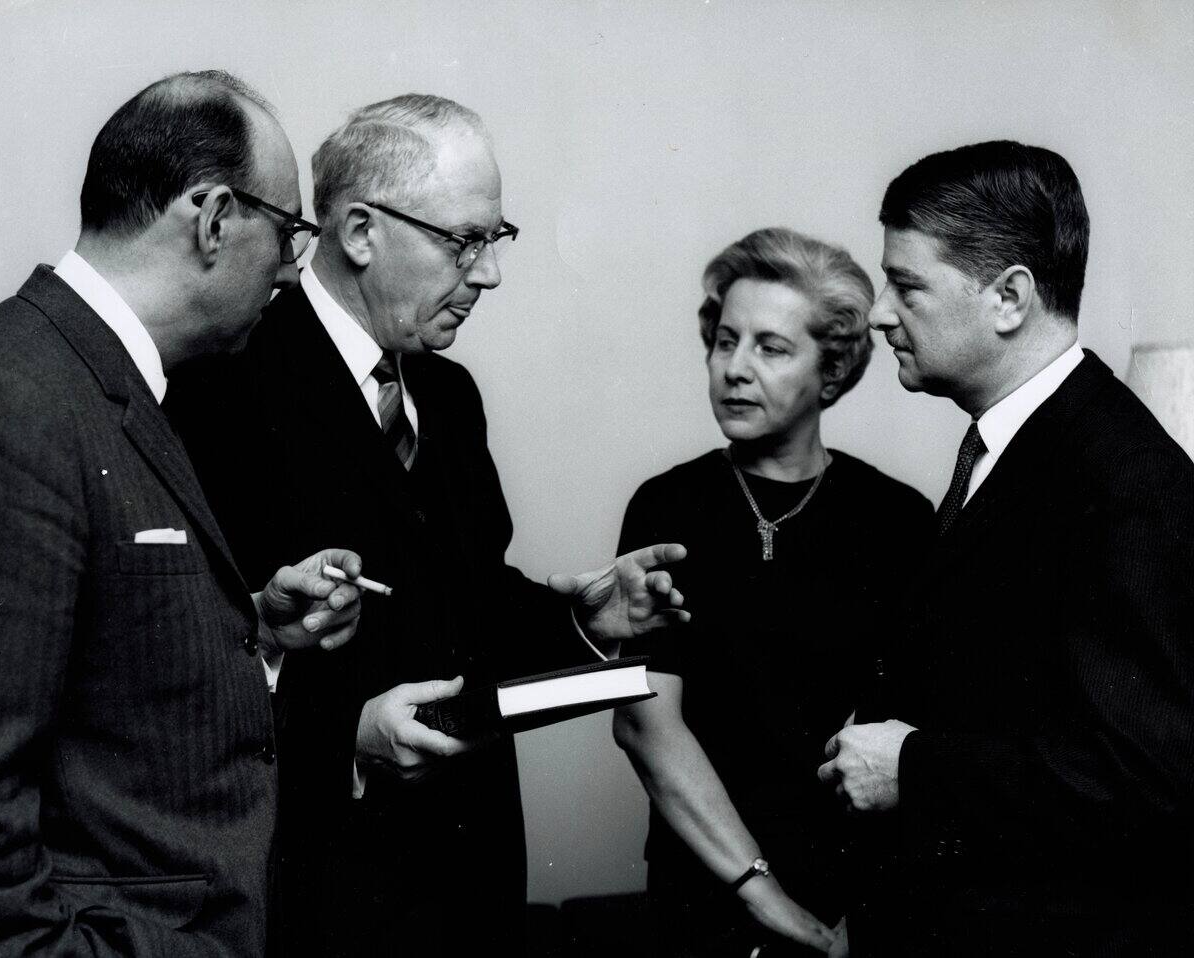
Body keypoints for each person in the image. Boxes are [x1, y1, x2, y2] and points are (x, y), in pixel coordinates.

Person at [167, 94, 688, 956]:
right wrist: (344, 739)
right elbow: (175, 656)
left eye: (497, 237)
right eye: (464, 241)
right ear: (362, 231)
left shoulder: (449, 396)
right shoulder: (222, 380)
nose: (488, 275)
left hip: (469, 892)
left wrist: (584, 625)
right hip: (308, 896)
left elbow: (463, 602)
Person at [0, 71, 367, 955]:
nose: (294, 266)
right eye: (289, 231)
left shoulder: (107, 381)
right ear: (211, 218)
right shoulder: (23, 396)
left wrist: (258, 636)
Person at [817, 140, 1194, 957]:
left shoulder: (1128, 483)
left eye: (906, 284)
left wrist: (913, 768)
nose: (880, 312)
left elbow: (1146, 778)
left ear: (1010, 298)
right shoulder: (1023, 450)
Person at [612, 228, 933, 958]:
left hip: (855, 902)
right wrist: (763, 896)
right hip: (706, 894)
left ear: (834, 368)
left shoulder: (898, 519)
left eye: (771, 347)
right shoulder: (668, 508)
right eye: (725, 342)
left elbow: (919, 726)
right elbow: (642, 725)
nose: (735, 369)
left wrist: (859, 910)